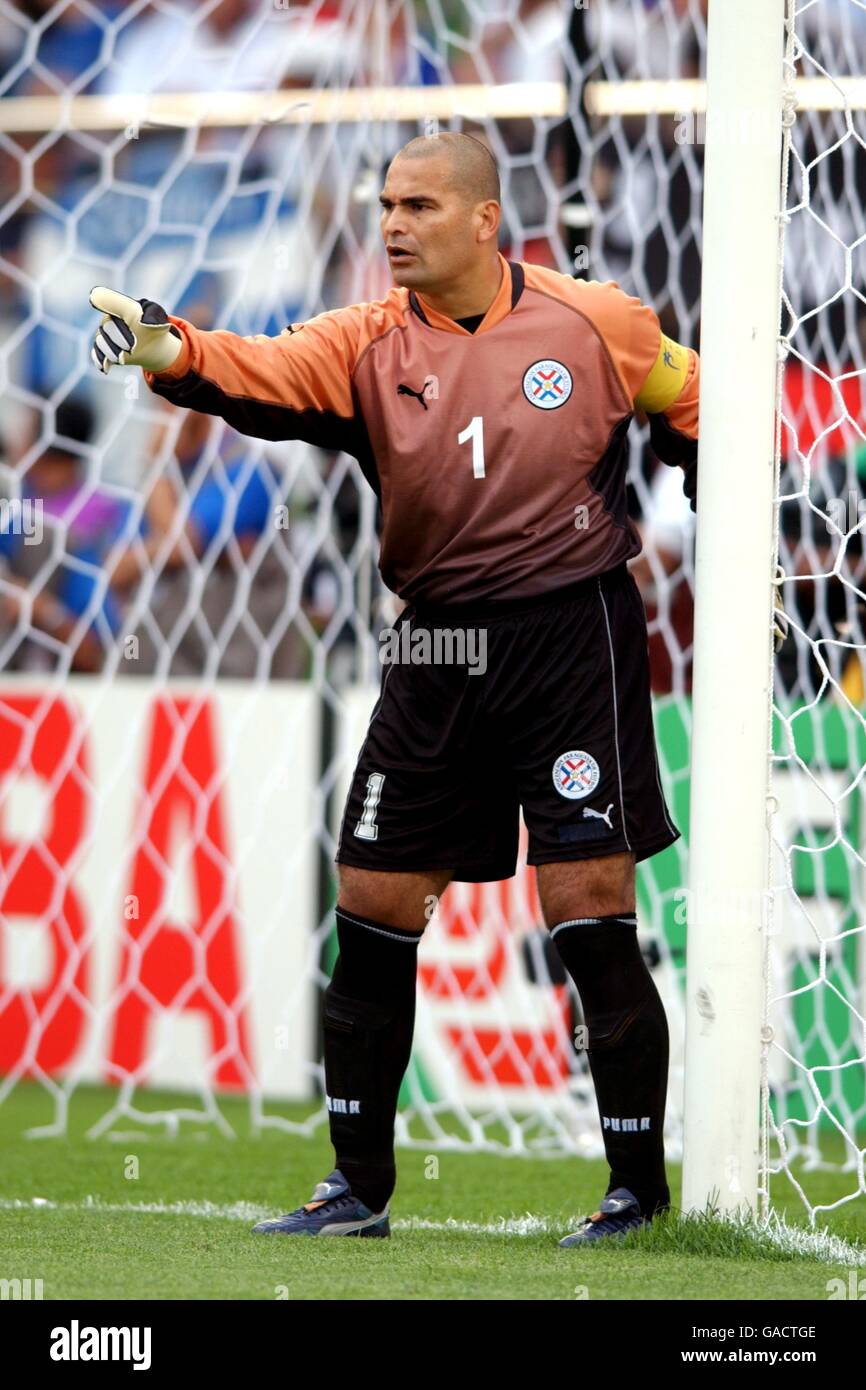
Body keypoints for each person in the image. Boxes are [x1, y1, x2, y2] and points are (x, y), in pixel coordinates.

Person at [88, 131, 700, 1247]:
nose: (391, 225)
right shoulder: (362, 343)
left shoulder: (591, 320)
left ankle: (633, 1194)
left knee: (585, 906)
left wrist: (717, 486)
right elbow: (252, 371)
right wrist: (168, 348)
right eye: (383, 205)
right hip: (433, 650)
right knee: (371, 902)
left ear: (481, 220)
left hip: (572, 636)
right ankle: (354, 1191)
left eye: (416, 204)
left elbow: (686, 389)